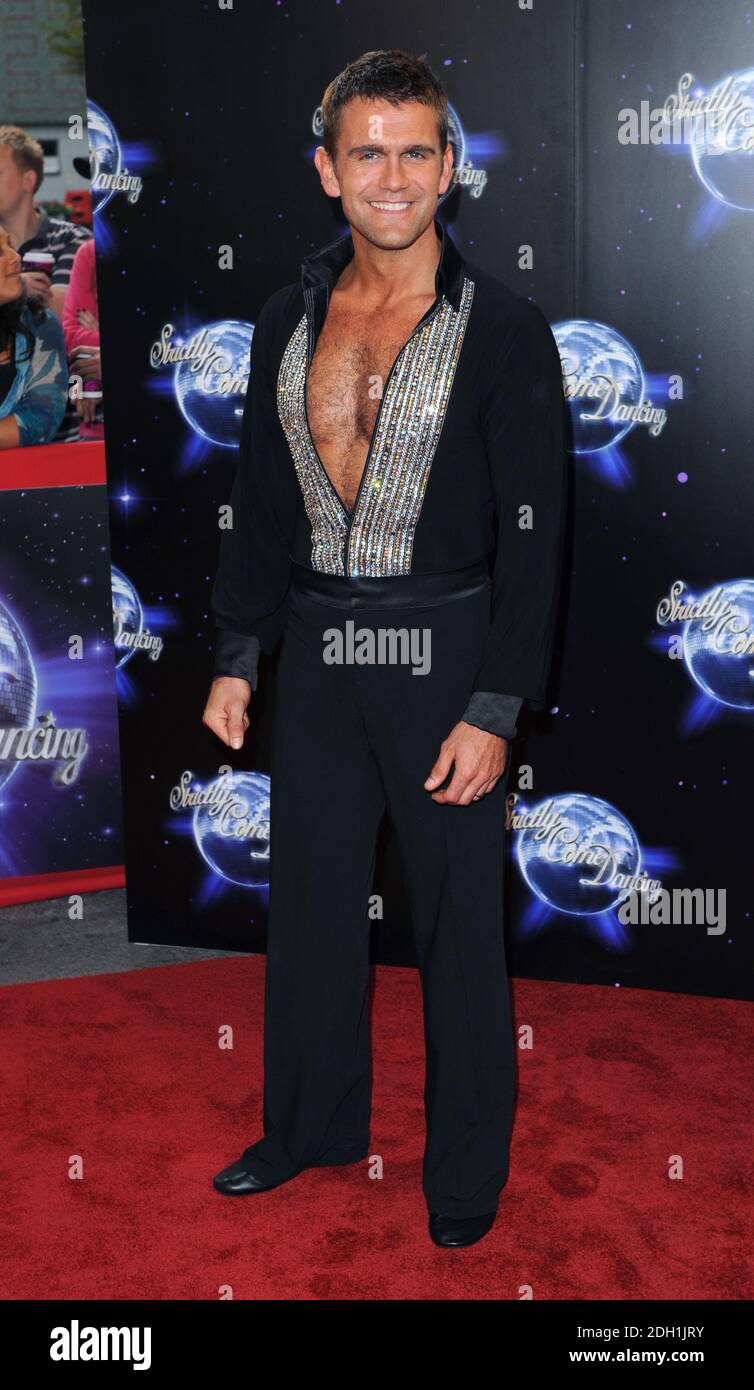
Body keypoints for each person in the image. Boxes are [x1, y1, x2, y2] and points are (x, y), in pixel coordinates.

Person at [203, 49, 568, 1249]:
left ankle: (462, 1175)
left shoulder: (506, 331)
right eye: (368, 150)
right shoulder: (283, 321)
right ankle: (307, 1125)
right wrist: (235, 653)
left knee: (459, 927)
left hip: (448, 651)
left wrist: (496, 704)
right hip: (314, 648)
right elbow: (260, 502)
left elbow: (538, 536)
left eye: (417, 150)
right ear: (327, 169)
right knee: (306, 904)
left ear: (451, 168)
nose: (393, 175)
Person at [0, 125, 93, 443]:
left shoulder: (74, 238)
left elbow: (70, 317)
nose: (11, 259)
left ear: (28, 180)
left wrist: (19, 290)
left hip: (65, 435)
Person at [0, 225, 67, 449]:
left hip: (20, 481)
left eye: (9, 244)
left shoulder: (39, 323)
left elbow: (42, 418)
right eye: (0, 253)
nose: (15, 257)